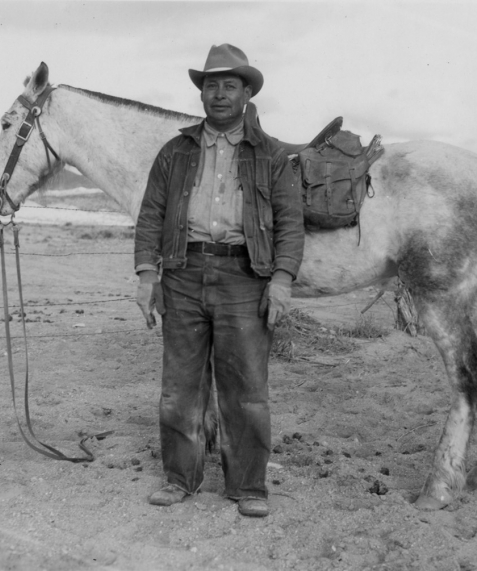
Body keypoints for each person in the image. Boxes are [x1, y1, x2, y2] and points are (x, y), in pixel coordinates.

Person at [134, 44, 305, 518]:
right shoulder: (175, 152)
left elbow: (291, 223)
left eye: (230, 85)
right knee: (179, 387)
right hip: (183, 274)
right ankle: (179, 479)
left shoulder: (270, 155)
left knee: (247, 388)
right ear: (202, 93)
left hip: (245, 277)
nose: (220, 94)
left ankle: (249, 487)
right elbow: (150, 216)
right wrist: (148, 275)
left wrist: (282, 280)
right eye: (212, 85)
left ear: (247, 93)